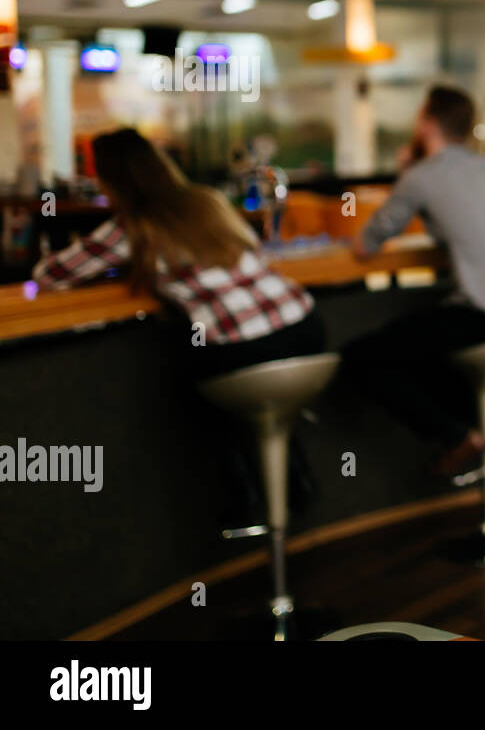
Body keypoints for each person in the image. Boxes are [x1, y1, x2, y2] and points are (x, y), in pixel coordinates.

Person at [32, 127, 326, 524]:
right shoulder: (207, 200)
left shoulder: (133, 226)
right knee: (250, 398)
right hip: (306, 325)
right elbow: (249, 251)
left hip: (250, 348)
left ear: (109, 180)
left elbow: (49, 275)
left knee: (191, 388)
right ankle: (298, 485)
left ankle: (245, 503)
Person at [345, 85, 485, 473]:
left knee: (363, 356)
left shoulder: (421, 176)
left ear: (427, 123)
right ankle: (472, 436)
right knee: (427, 342)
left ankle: (460, 438)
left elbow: (366, 243)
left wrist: (407, 172)